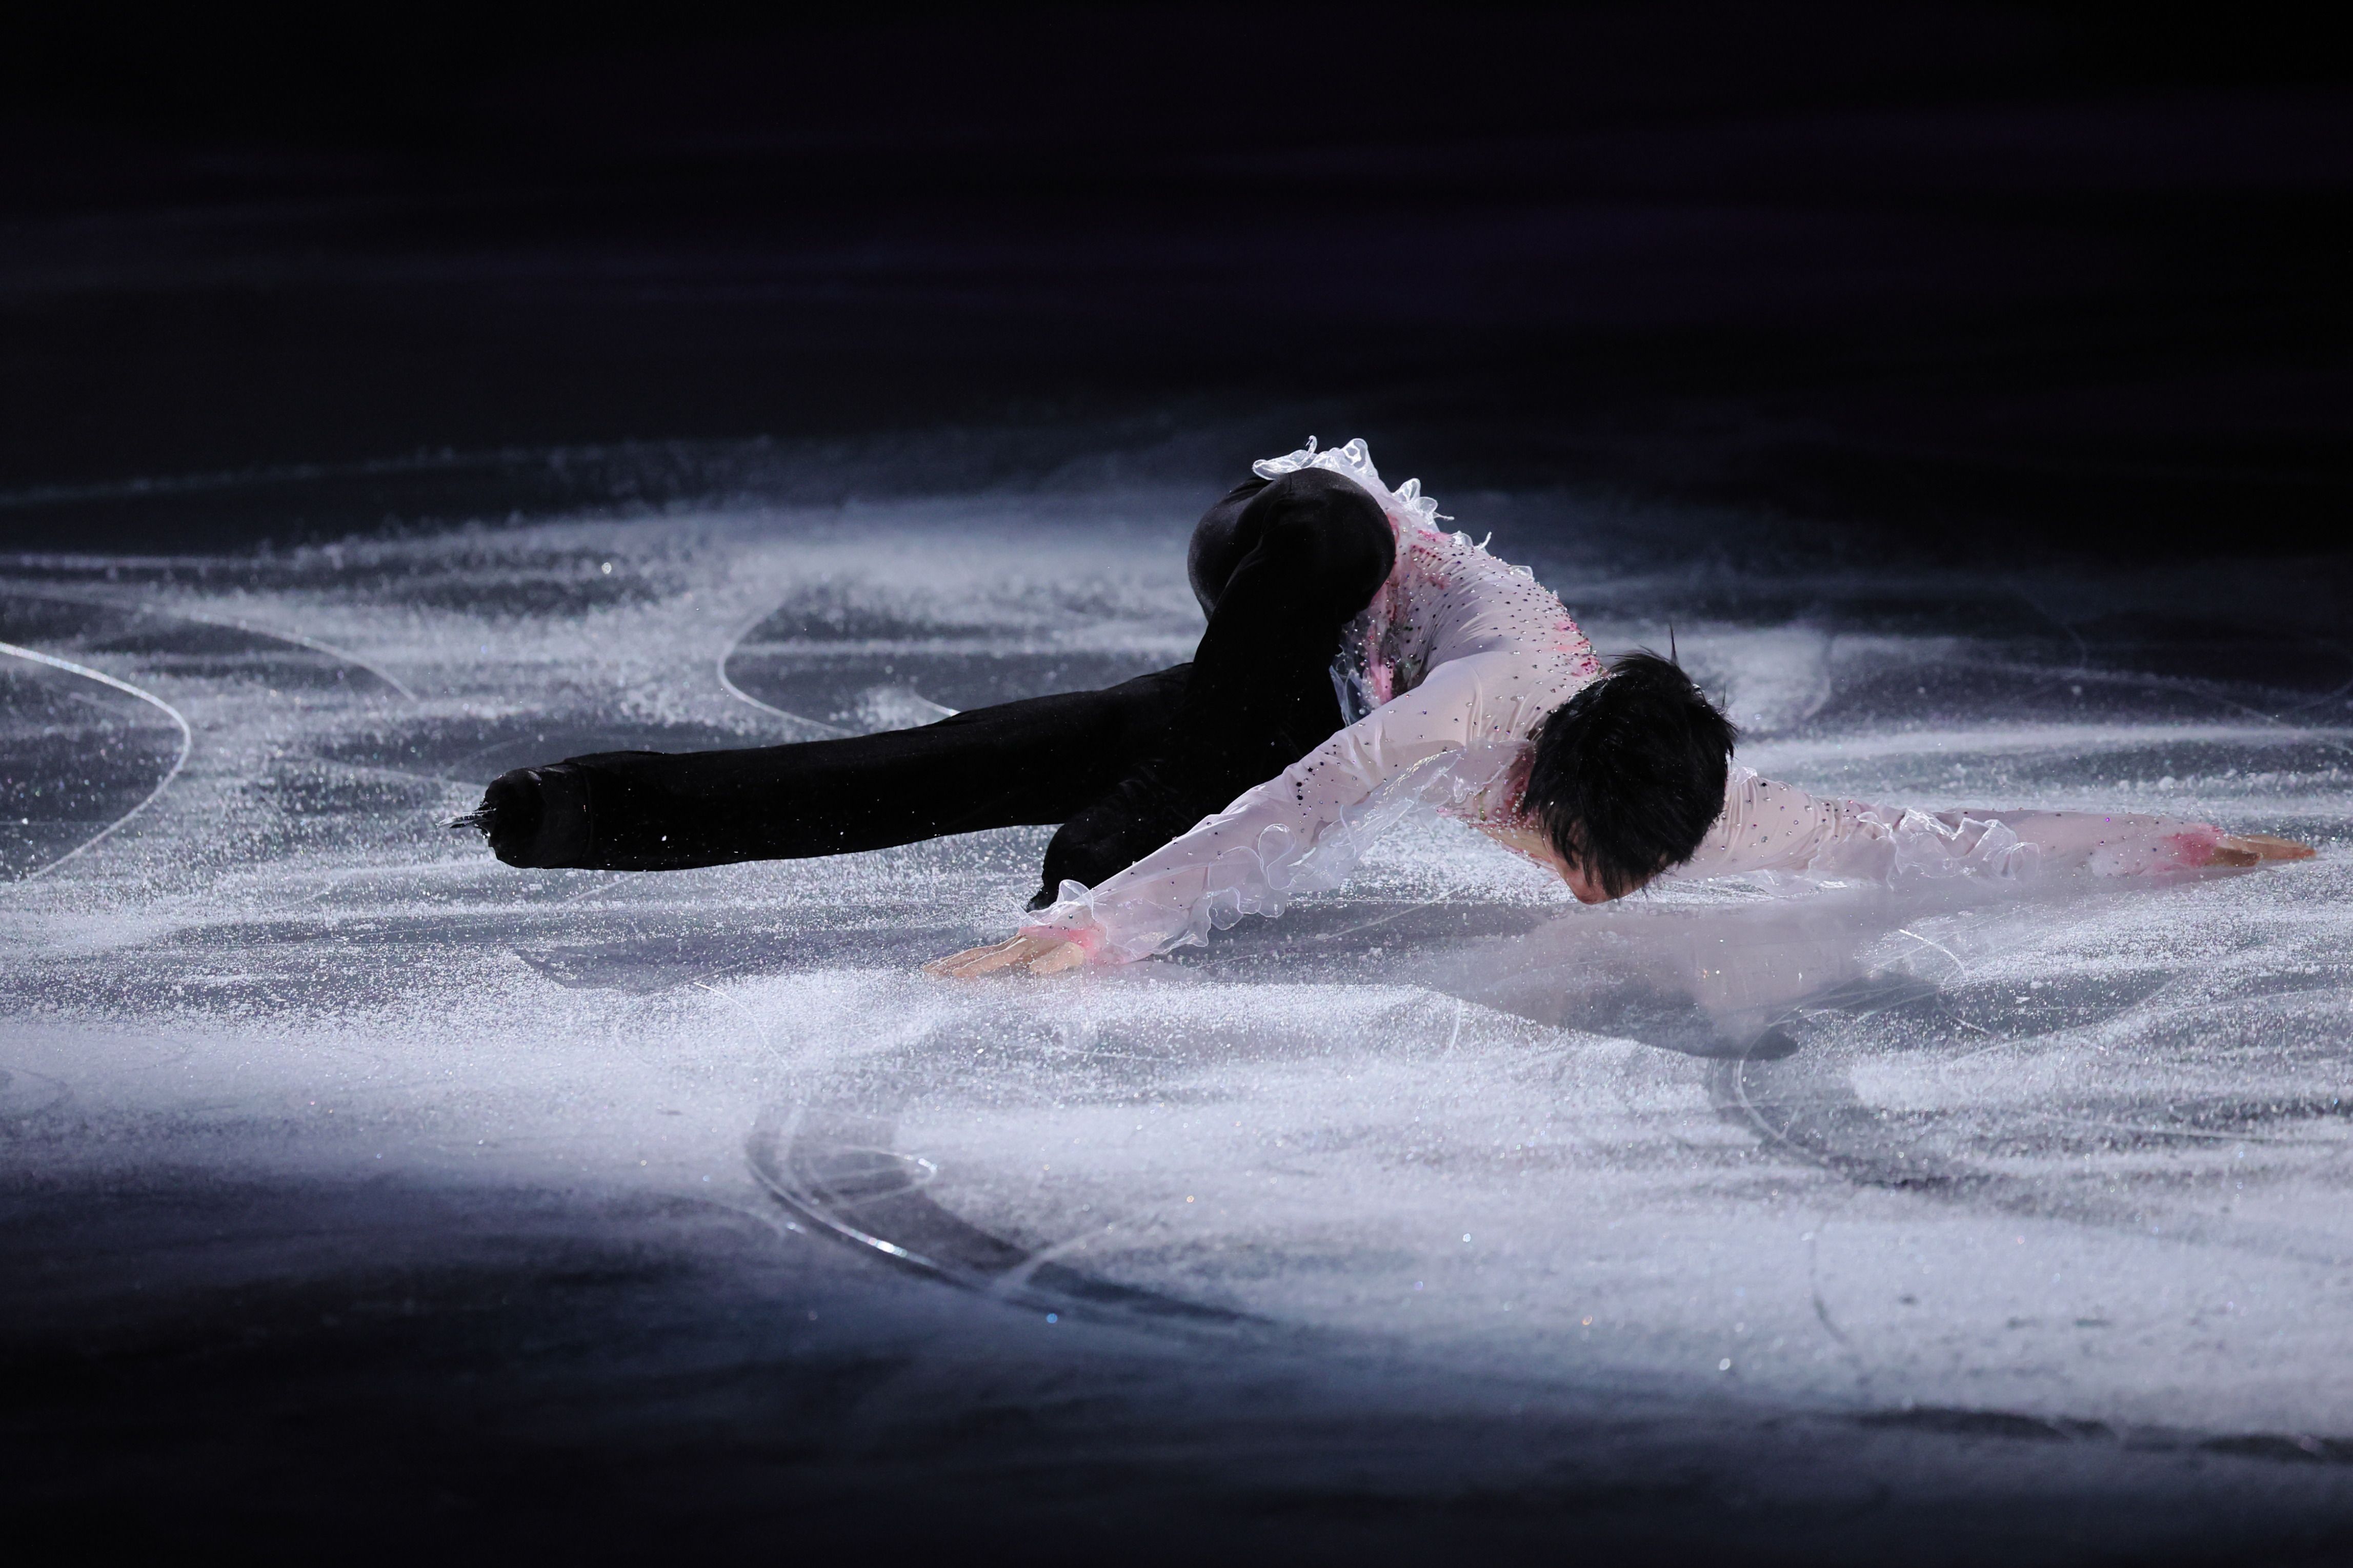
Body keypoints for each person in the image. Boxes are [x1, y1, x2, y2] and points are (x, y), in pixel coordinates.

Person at [456, 438, 2314, 978]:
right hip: (1288, 549)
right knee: (1308, 607)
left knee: (1008, 757)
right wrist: (1105, 922)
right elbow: (1293, 815)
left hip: (1268, 698)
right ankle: (1099, 833)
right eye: (1589, 867)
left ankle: (589, 810)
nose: (1589, 896)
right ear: (1558, 789)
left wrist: (2174, 844)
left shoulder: (1693, 802)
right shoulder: (1477, 710)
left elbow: (1908, 838)